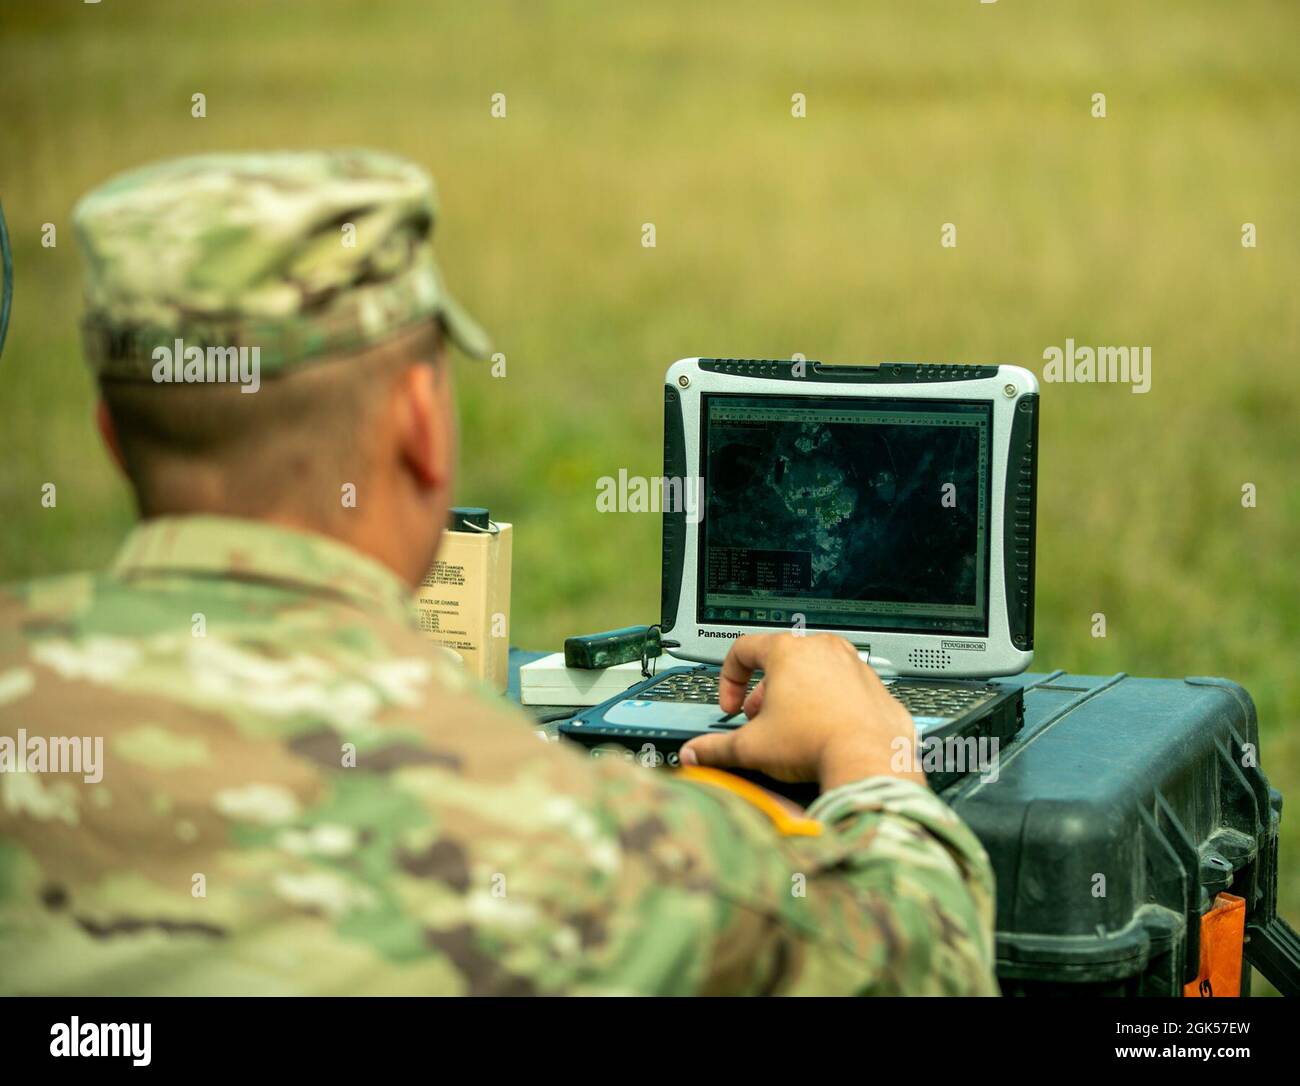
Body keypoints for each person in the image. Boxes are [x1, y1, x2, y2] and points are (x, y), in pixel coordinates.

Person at [0, 150, 997, 995]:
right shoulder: (558, 837)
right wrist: (873, 753)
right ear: (421, 427)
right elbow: (921, 952)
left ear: (111, 437)